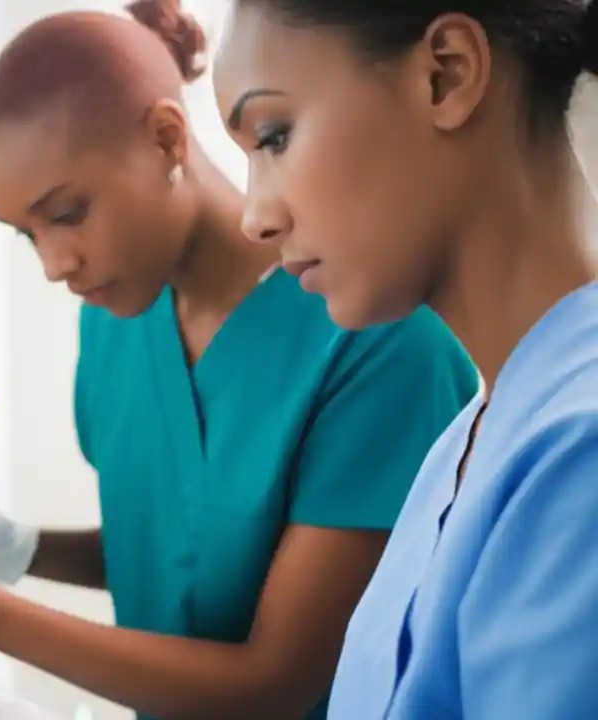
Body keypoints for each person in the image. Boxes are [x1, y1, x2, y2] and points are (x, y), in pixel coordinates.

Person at [0, 2, 479, 719]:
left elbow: (275, 681)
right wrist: (13, 547)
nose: (54, 263)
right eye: (27, 234)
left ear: (167, 139)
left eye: (69, 213)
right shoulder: (117, 323)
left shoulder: (378, 340)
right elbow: (175, 559)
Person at [212, 1, 598, 718]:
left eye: (274, 136)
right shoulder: (464, 446)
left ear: (446, 76)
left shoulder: (580, 450)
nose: (255, 215)